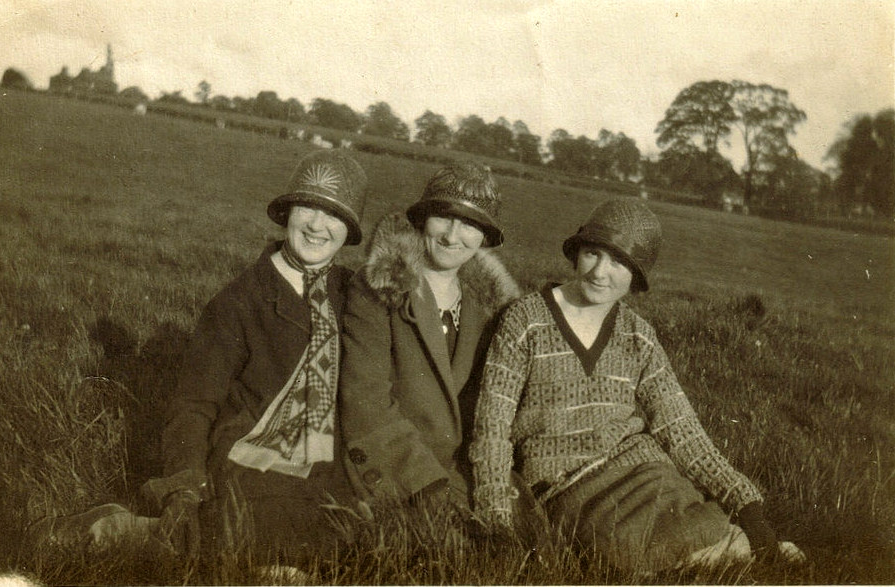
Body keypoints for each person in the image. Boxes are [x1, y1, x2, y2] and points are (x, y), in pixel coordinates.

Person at [469, 198, 797, 574]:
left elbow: (683, 431)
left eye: (620, 263)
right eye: (593, 253)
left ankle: (733, 541)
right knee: (621, 554)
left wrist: (750, 510)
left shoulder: (638, 335)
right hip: (567, 486)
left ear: (636, 276)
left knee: (695, 523)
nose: (600, 272)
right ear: (577, 253)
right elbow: (491, 429)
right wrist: (496, 521)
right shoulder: (525, 320)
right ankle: (721, 550)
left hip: (643, 471)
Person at [149, 149, 368, 567]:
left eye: (334, 215)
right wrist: (183, 487)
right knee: (272, 552)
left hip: (333, 466)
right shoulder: (239, 301)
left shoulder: (354, 295)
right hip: (254, 461)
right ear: (287, 213)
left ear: (349, 229)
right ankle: (125, 532)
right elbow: (195, 404)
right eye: (308, 207)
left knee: (363, 548)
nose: (318, 226)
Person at [338, 162, 520, 508]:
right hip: (392, 472)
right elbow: (365, 402)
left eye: (470, 224)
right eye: (443, 217)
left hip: (457, 473)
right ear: (423, 219)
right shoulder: (379, 287)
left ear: (484, 237)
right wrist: (428, 484)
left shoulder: (487, 312)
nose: (453, 235)